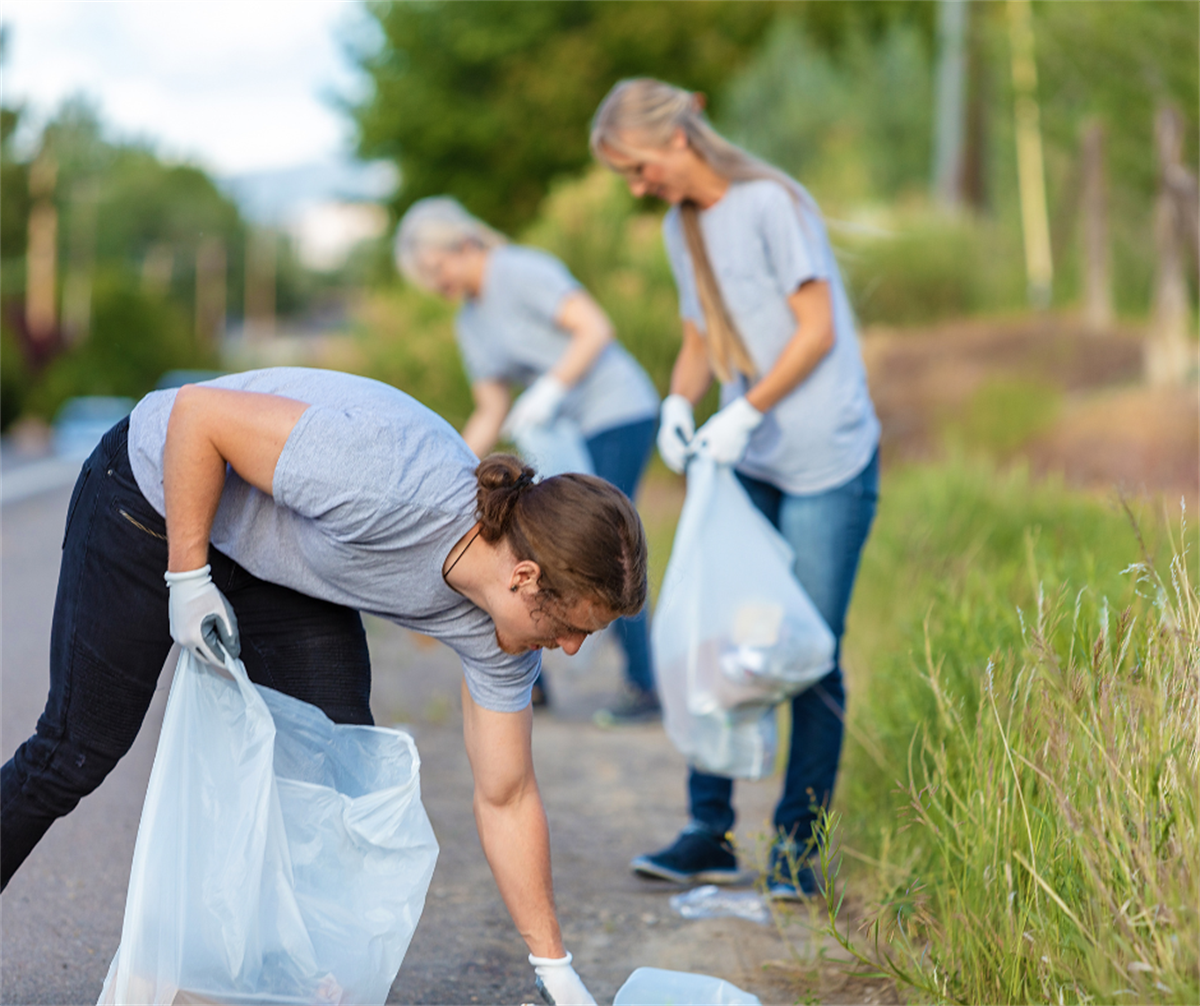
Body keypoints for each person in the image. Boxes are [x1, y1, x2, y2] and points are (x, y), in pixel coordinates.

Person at [0, 367, 648, 1005]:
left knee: (331, 764)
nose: (570, 649)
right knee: (76, 748)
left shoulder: (506, 638)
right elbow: (196, 416)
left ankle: (275, 978)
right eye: (571, 627)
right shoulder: (388, 481)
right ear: (525, 577)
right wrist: (188, 579)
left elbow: (507, 797)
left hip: (279, 559)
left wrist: (554, 966)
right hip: (156, 492)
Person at [590, 79, 880, 899]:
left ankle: (796, 850)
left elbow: (816, 331)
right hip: (748, 462)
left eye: (637, 167)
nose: (637, 186)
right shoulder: (682, 227)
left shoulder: (771, 204)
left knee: (808, 652)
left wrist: (747, 409)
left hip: (826, 458)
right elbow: (700, 337)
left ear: (677, 139)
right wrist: (681, 402)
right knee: (720, 639)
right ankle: (708, 832)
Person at [395, 198, 662, 723]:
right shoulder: (470, 322)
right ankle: (530, 682)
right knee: (529, 542)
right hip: (559, 428)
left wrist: (551, 388)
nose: (434, 282)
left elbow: (594, 328)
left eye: (435, 267)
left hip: (615, 410)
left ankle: (643, 685)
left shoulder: (518, 271)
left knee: (605, 547)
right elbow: (491, 406)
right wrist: (451, 465)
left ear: (462, 243)